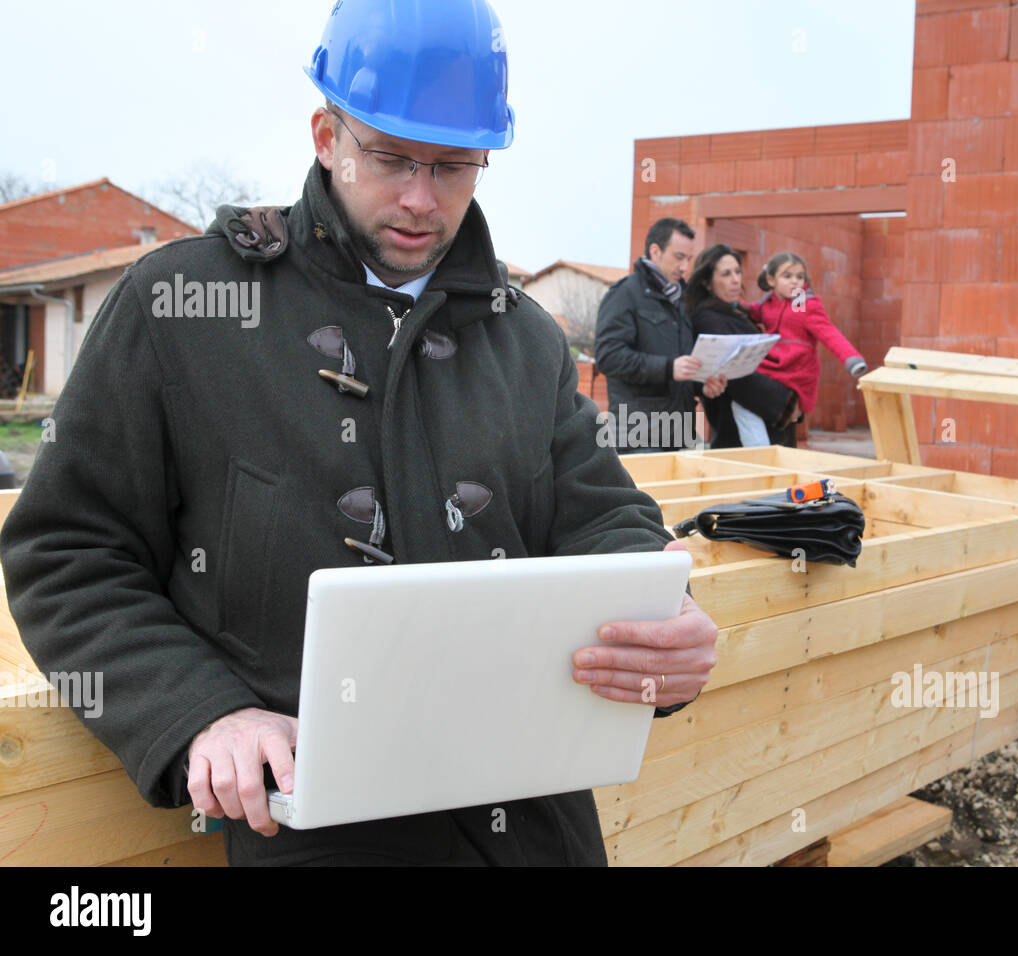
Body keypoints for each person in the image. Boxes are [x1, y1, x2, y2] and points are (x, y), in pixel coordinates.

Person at [0, 0, 718, 867]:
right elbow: (70, 552)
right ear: (324, 134)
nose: (421, 198)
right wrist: (198, 709)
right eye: (389, 158)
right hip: (317, 838)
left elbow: (601, 516)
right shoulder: (184, 308)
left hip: (527, 828)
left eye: (453, 167)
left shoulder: (520, 337)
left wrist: (661, 618)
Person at [594, 219, 723, 453]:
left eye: (688, 259)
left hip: (679, 435)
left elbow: (680, 365)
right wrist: (668, 368)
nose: (685, 267)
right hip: (638, 436)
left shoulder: (681, 299)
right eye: (678, 257)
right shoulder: (624, 294)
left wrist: (701, 384)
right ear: (655, 251)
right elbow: (608, 357)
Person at [748, 252, 869, 446]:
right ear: (771, 279)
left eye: (799, 276)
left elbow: (828, 332)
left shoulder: (801, 303)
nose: (795, 282)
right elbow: (752, 310)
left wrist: (851, 358)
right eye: (787, 276)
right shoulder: (768, 304)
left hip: (796, 373)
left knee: (782, 427)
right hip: (772, 369)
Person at [685, 244, 798, 448]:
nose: (736, 280)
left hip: (766, 424)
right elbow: (736, 374)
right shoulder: (708, 320)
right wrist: (787, 404)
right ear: (707, 283)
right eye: (726, 274)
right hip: (739, 431)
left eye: (737, 271)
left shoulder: (737, 313)